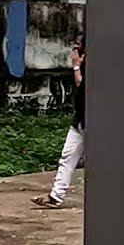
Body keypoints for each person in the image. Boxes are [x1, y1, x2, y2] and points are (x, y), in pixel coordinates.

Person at [33, 34, 85, 209]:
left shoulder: (90, 66)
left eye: (76, 47)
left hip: (94, 122)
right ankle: (56, 196)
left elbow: (82, 84)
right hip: (80, 120)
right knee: (67, 157)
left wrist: (76, 66)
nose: (73, 50)